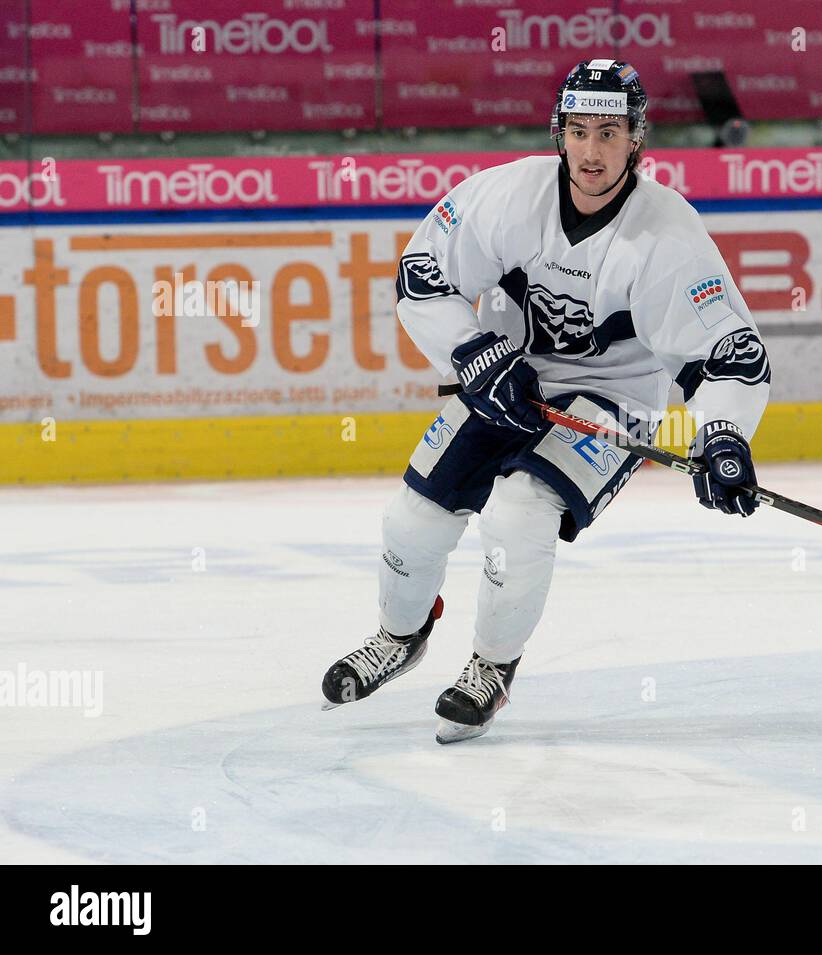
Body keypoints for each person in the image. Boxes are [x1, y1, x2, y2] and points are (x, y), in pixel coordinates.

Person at [321, 58, 771, 743]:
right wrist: (474, 353)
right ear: (558, 132)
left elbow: (729, 355)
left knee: (519, 514)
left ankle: (491, 669)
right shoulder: (506, 197)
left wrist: (724, 438)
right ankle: (399, 636)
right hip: (508, 374)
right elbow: (421, 277)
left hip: (616, 399)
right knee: (412, 521)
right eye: (580, 131)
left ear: (637, 139)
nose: (592, 152)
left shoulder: (668, 236)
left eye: (610, 133)